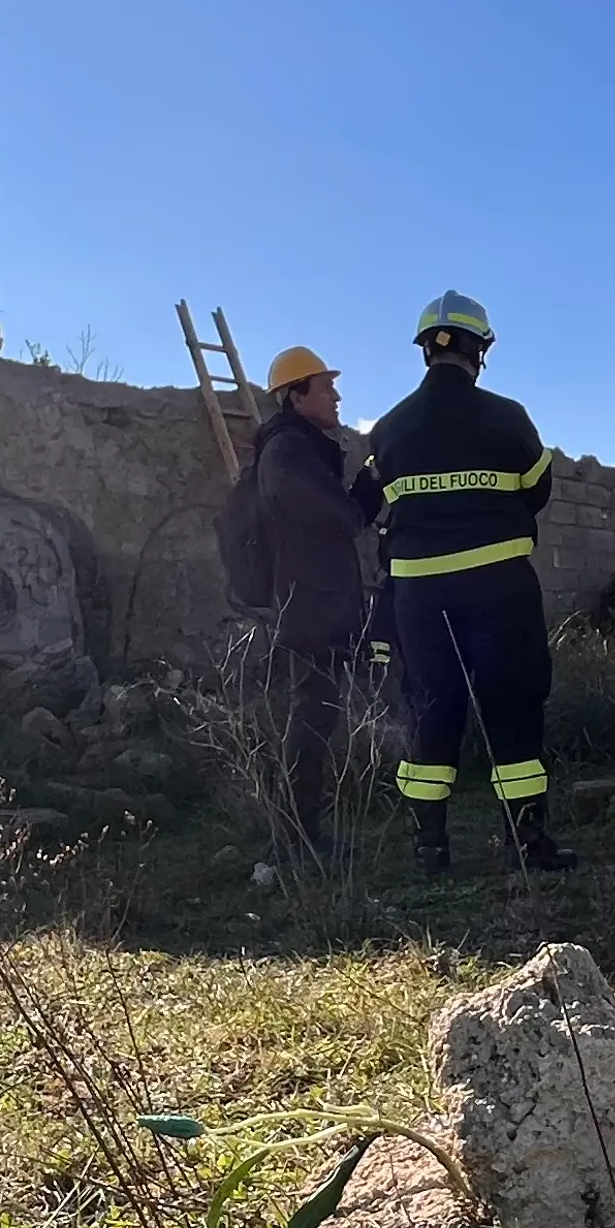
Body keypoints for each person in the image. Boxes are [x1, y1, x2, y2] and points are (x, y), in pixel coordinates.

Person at [365, 291, 578, 875]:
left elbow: (366, 502)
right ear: (480, 349)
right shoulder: (508, 417)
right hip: (499, 587)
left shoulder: (388, 429)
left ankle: (430, 848)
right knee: (513, 705)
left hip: (419, 596)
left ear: (424, 353)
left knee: (431, 709)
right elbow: (537, 490)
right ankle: (527, 843)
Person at [244, 344, 377, 859]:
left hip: (316, 603)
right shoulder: (288, 453)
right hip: (310, 608)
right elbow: (342, 519)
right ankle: (300, 838)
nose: (337, 396)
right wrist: (370, 482)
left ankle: (302, 832)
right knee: (311, 714)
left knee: (316, 713)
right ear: (296, 398)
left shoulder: (299, 449)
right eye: (325, 387)